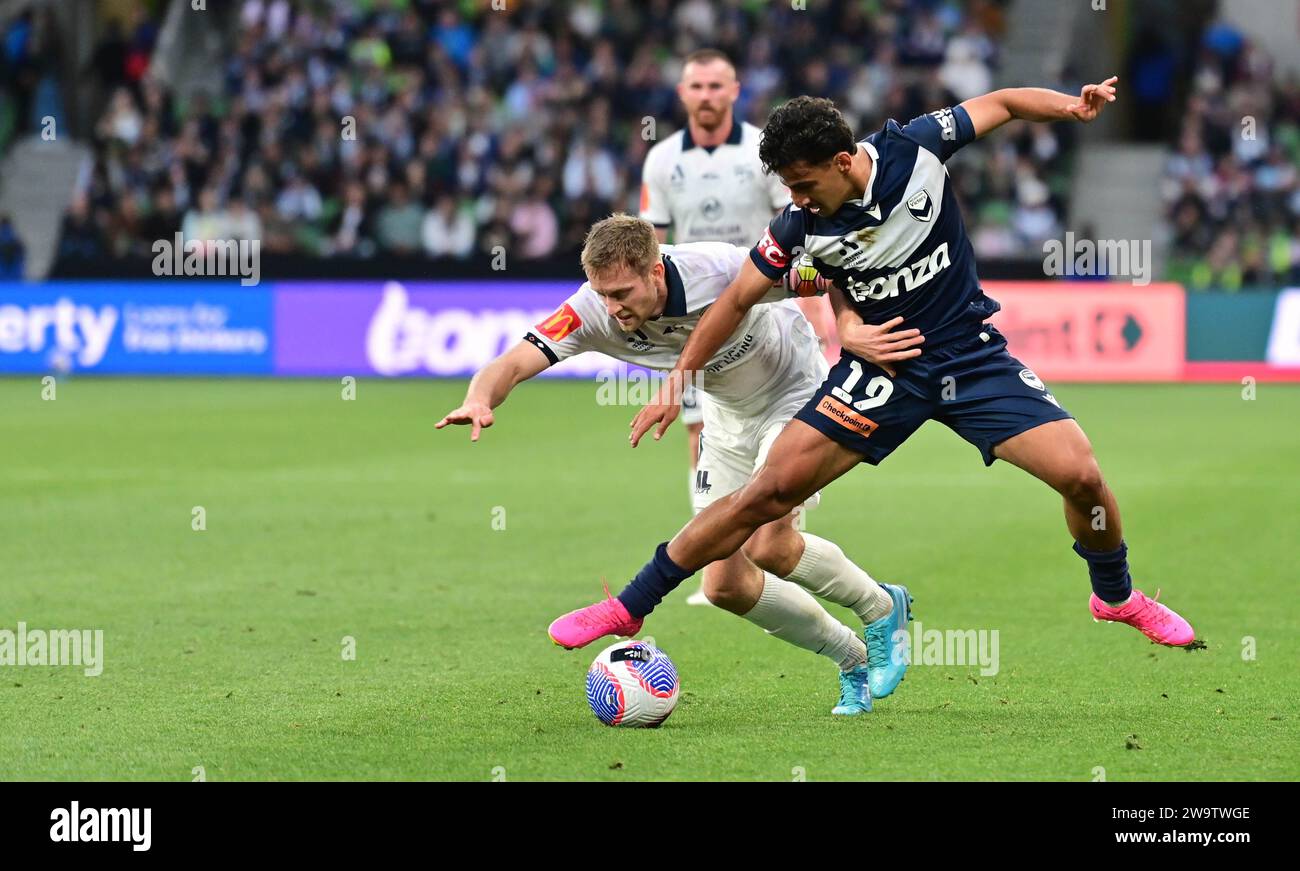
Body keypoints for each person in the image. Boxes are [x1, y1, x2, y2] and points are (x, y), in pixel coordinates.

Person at [550, 77, 1197, 661]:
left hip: (969, 355)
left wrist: (1069, 107)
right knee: (763, 496)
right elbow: (738, 298)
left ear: (842, 161)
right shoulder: (799, 224)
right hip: (880, 371)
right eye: (787, 188)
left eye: (804, 184)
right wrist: (680, 377)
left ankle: (1115, 595)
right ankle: (629, 605)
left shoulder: (917, 149)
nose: (797, 199)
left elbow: (999, 103)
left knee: (1081, 473)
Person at [438, 215, 912, 714]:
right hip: (726, 416)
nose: (611, 307)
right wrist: (479, 398)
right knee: (724, 584)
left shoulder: (722, 269)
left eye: (621, 292)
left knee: (769, 544)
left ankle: (880, 606)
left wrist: (850, 326)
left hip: (795, 392)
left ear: (656, 271)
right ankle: (852, 659)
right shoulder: (591, 312)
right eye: (602, 293)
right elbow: (512, 362)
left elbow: (828, 269)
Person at [639, 48, 812, 604]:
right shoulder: (663, 161)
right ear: (683, 94)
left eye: (718, 86)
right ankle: (718, 554)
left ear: (735, 90)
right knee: (701, 431)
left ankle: (777, 535)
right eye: (698, 87)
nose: (708, 96)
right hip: (693, 316)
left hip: (767, 305)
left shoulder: (764, 151)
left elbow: (799, 223)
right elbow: (652, 243)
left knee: (775, 436)